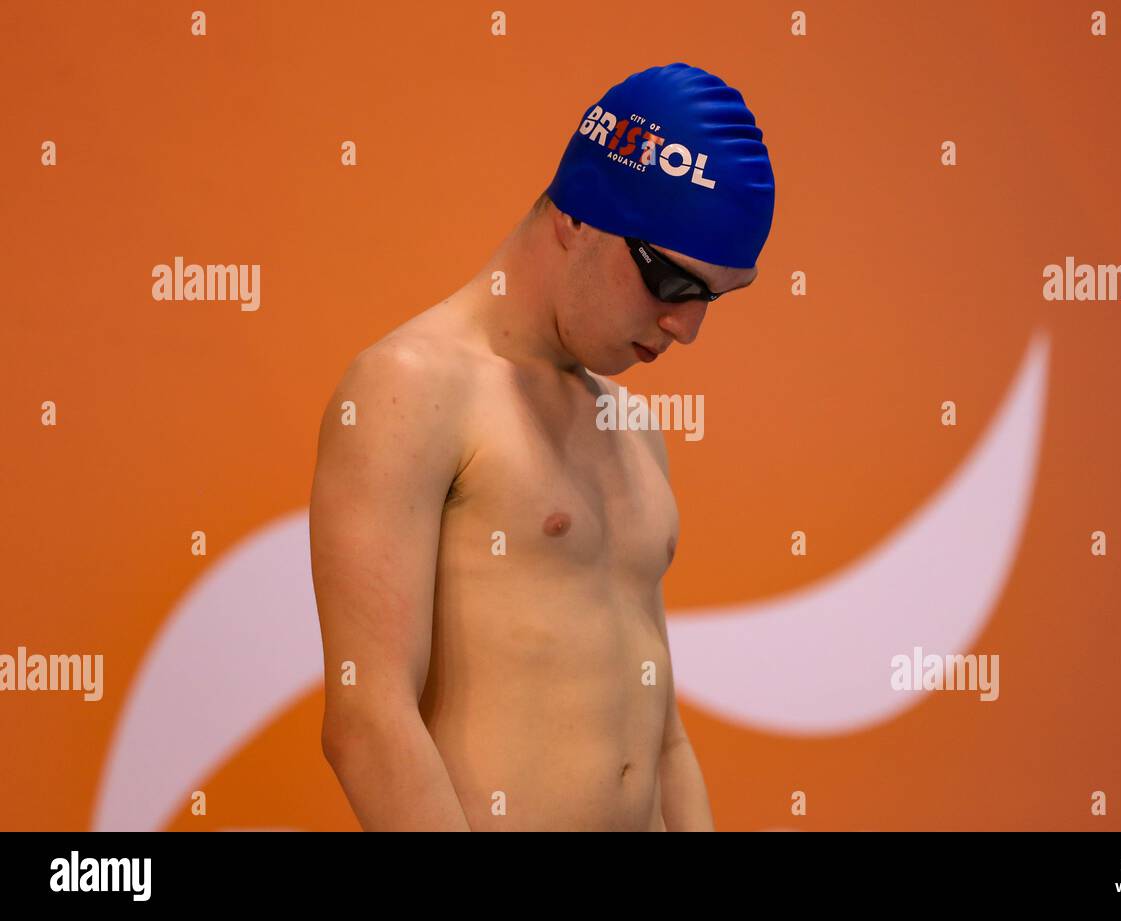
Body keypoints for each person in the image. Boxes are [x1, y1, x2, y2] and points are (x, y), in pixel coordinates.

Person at [309, 62, 775, 831]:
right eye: (673, 282)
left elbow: (662, 741)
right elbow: (369, 720)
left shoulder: (632, 429)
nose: (686, 328)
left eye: (714, 299)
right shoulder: (407, 388)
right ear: (579, 215)